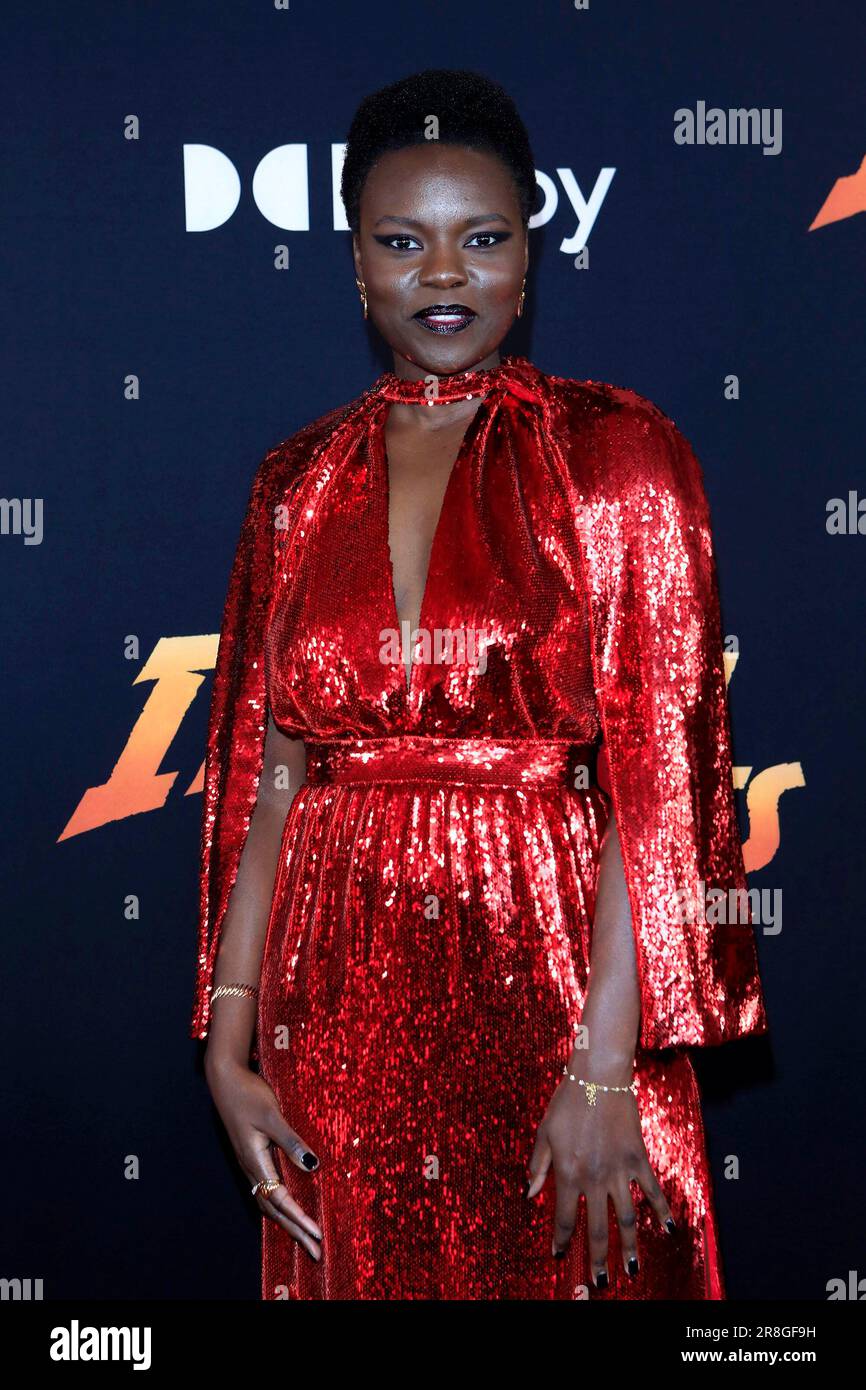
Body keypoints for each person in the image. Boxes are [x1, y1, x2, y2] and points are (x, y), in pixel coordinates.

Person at [191, 68, 768, 1301]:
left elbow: (656, 780)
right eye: (401, 242)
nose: (441, 274)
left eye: (481, 239)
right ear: (352, 265)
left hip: (562, 984)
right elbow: (270, 784)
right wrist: (229, 1044)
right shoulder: (292, 483)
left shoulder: (614, 452)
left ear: (530, 256)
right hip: (334, 1006)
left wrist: (606, 1061)